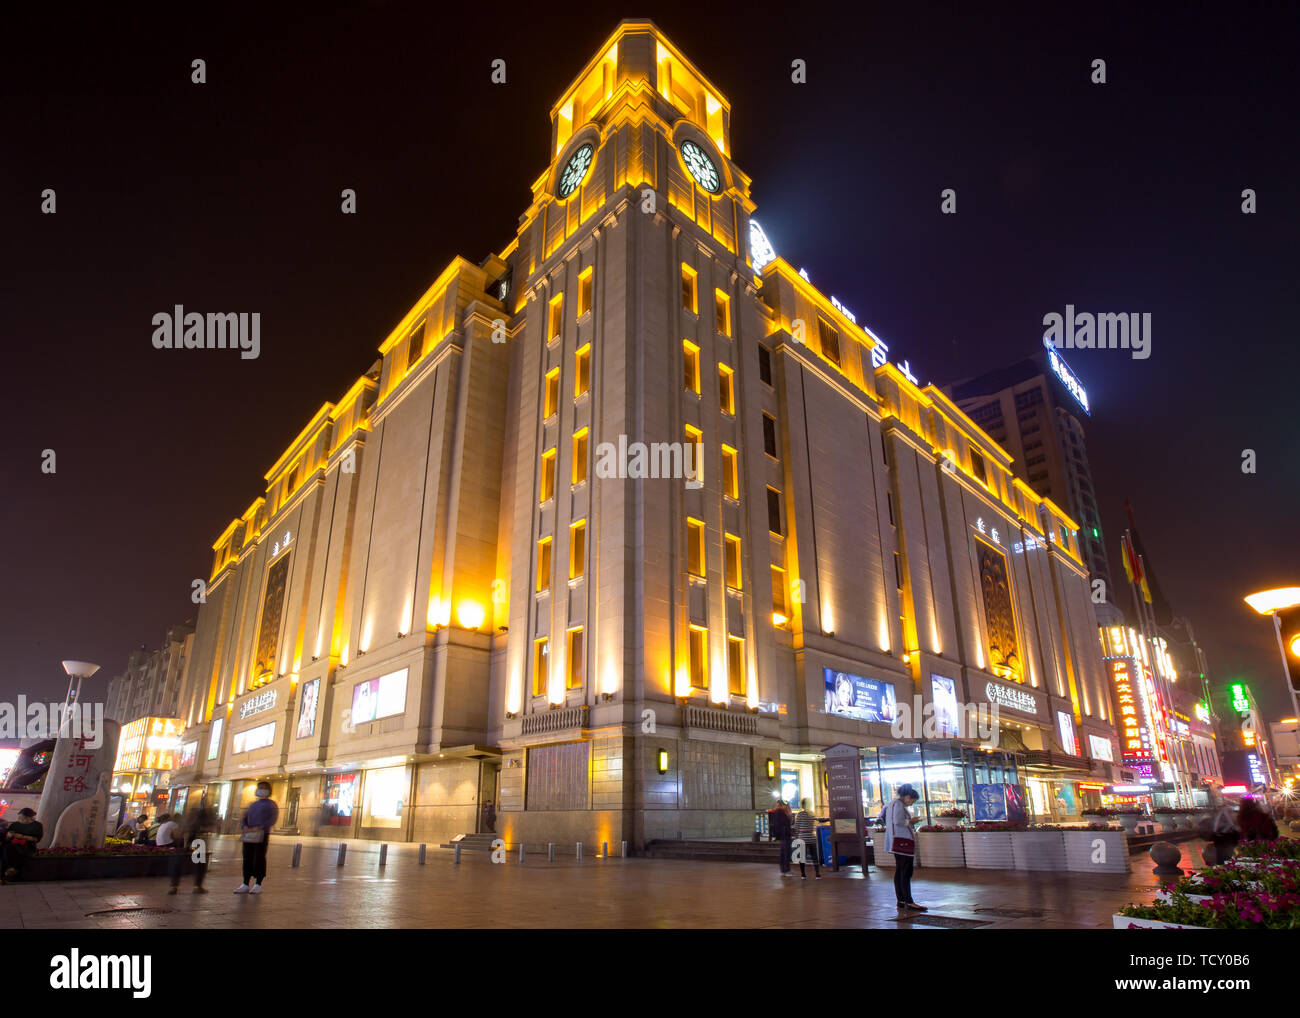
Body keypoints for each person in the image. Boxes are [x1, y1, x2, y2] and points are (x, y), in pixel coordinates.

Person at [885, 784, 926, 913]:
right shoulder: (898, 805)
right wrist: (911, 821)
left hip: (896, 840)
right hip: (902, 841)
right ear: (907, 797)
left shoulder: (892, 804)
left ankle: (901, 900)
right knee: (905, 871)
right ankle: (909, 901)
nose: (911, 804)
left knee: (900, 870)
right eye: (912, 801)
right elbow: (898, 821)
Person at [236, 781, 279, 894]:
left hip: (261, 835)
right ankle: (245, 883)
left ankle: (258, 883)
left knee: (259, 858)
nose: (261, 790)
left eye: (264, 788)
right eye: (260, 788)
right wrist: (245, 827)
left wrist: (260, 827)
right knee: (247, 858)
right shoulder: (252, 804)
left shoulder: (271, 804)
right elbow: (245, 817)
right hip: (249, 835)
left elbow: (272, 819)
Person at [1, 808, 44, 884]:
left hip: (26, 845)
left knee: (10, 849)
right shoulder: (15, 825)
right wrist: (8, 836)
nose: (20, 819)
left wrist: (21, 836)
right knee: (4, 848)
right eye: (19, 817)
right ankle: (5, 873)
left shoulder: (37, 825)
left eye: (22, 817)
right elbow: (7, 836)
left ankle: (12, 869)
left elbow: (36, 839)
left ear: (29, 818)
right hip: (11, 844)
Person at [793, 798, 821, 880]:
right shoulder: (812, 814)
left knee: (802, 857)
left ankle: (803, 874)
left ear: (802, 805)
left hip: (802, 837)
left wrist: (796, 834)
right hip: (811, 837)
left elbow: (796, 826)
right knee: (814, 856)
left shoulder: (800, 814)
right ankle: (817, 874)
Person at [771, 800, 794, 877]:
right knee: (785, 852)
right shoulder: (780, 812)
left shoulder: (781, 812)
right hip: (784, 835)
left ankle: (785, 869)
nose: (788, 806)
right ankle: (786, 870)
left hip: (784, 835)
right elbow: (781, 824)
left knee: (785, 852)